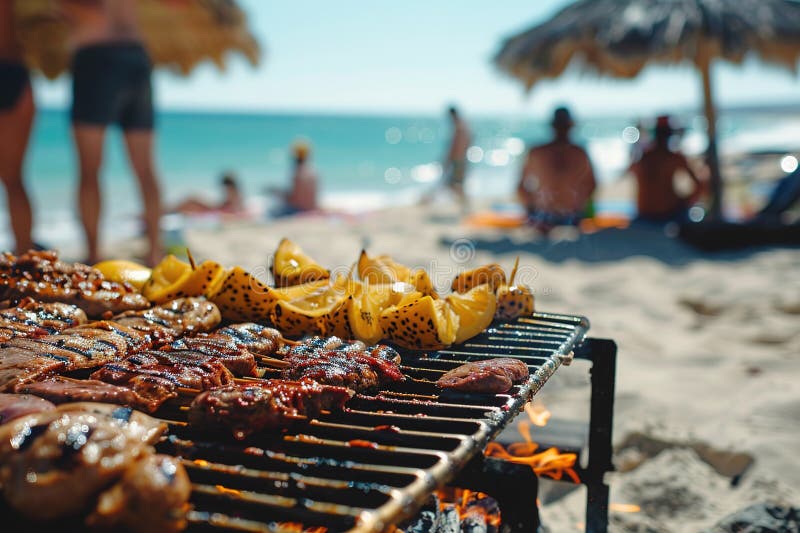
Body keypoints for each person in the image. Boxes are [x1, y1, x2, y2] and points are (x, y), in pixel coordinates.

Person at [60, 0, 162, 265]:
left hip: (97, 55)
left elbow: (87, 10)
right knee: (145, 169)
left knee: (89, 169)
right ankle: (154, 253)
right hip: (136, 57)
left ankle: (94, 255)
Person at [517, 107, 596, 231]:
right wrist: (580, 205)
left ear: (552, 126)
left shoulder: (537, 152)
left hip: (545, 214)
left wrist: (531, 208)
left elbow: (521, 187)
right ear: (571, 126)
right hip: (568, 214)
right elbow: (592, 185)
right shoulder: (579, 153)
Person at [0, 0, 35, 253]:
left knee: (14, 179)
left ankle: (24, 253)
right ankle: (24, 254)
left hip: (13, 69)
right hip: (13, 67)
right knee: (14, 179)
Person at [628, 115, 703, 223]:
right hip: (666, 213)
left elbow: (629, 170)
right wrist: (685, 202)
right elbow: (699, 185)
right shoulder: (673, 158)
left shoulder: (644, 158)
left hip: (649, 213)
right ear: (670, 135)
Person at [268, 142, 319, 217]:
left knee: (271, 211)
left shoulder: (298, 173)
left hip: (299, 210)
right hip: (311, 208)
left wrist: (278, 194)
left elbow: (295, 200)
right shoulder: (314, 171)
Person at [171, 172, 244, 215]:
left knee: (191, 201)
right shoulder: (235, 196)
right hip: (215, 210)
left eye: (226, 188)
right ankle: (171, 211)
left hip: (215, 211)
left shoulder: (236, 197)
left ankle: (171, 211)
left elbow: (236, 212)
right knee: (191, 200)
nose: (225, 190)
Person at [442, 106, 471, 205]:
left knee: (454, 184)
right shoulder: (464, 125)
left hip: (458, 159)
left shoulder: (459, 127)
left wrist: (448, 160)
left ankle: (465, 203)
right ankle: (465, 204)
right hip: (462, 158)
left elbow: (454, 146)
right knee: (456, 184)